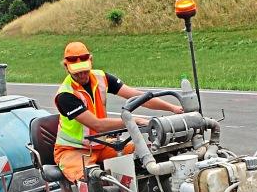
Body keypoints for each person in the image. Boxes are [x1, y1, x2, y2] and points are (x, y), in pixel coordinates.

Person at [54, 41, 184, 182]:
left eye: (85, 70)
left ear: (90, 61)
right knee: (93, 179)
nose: (82, 75)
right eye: (77, 72)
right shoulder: (65, 95)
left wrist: (174, 108)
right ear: (67, 67)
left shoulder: (101, 77)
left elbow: (138, 97)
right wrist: (134, 120)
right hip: (73, 151)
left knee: (147, 154)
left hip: (101, 145)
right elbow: (97, 125)